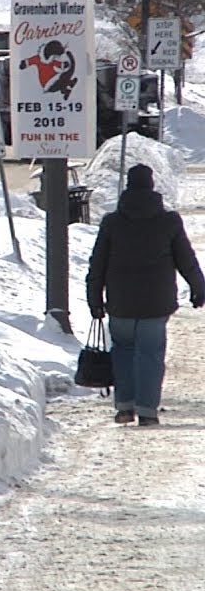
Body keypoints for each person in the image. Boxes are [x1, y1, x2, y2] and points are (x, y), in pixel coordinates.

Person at [86, 164, 205, 426]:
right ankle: (148, 411)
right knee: (150, 355)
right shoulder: (169, 222)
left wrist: (94, 299)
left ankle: (125, 407)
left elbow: (98, 264)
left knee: (123, 352)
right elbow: (186, 259)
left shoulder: (112, 223)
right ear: (152, 187)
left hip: (120, 303)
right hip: (156, 303)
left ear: (128, 187)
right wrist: (199, 288)